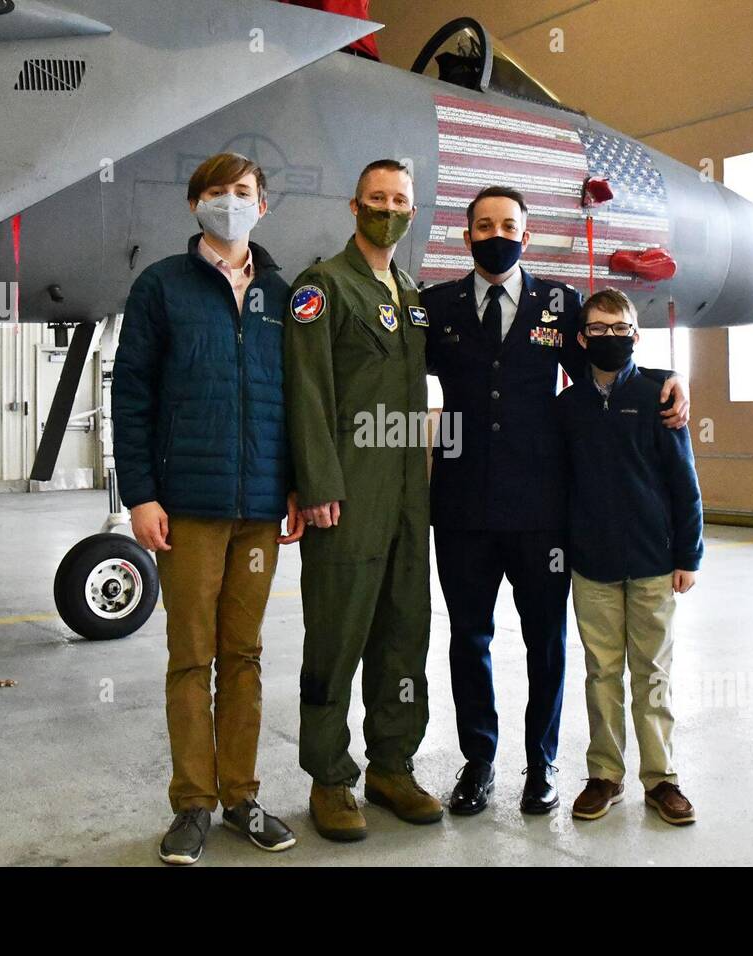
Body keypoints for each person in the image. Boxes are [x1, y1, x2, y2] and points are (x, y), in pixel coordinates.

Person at [420, 185, 689, 816]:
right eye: (484, 225)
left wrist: (666, 381)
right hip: (461, 509)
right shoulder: (436, 306)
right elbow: (386, 372)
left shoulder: (560, 304)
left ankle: (541, 762)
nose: (496, 233)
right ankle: (479, 761)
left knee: (547, 642)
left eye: (508, 224)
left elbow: (607, 363)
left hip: (541, 510)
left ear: (526, 232)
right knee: (469, 639)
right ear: (466, 236)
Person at [112, 152, 305, 865]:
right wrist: (141, 493)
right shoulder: (162, 287)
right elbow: (131, 395)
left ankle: (241, 798)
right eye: (218, 192)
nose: (232, 202)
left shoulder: (282, 295)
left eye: (244, 192)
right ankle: (192, 803)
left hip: (258, 507)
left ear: (264, 205)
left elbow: (295, 401)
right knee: (191, 657)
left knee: (245, 656)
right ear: (196, 204)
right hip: (188, 507)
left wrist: (294, 486)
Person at [284, 158, 441, 841]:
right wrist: (316, 485)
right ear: (354, 207)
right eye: (378, 198)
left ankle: (392, 765)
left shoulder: (410, 292)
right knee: (338, 637)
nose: (389, 209)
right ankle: (328, 776)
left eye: (400, 200)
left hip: (410, 493)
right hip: (347, 493)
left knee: (405, 634)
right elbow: (307, 390)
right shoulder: (322, 287)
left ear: (412, 209)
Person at [555, 288, 703, 826]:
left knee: (654, 673)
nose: (609, 338)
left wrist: (689, 555)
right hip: (591, 565)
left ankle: (662, 779)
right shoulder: (566, 408)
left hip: (654, 563)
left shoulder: (660, 397)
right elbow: (560, 485)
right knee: (601, 673)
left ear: (636, 337)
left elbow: (684, 484)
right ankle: (604, 775)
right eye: (598, 329)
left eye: (620, 329)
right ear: (581, 337)